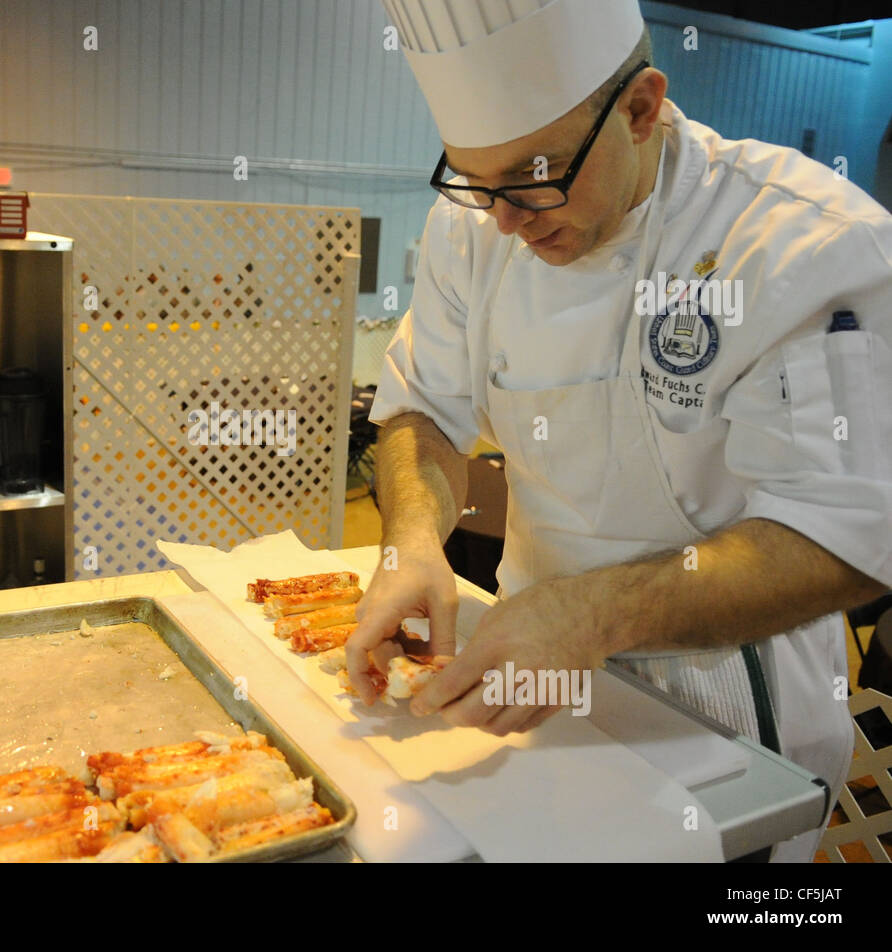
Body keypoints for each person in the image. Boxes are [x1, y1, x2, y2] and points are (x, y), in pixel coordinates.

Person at [351, 0, 892, 862]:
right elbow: (425, 410)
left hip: (729, 728)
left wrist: (593, 614)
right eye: (474, 182)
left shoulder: (802, 243)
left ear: (641, 108)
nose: (505, 222)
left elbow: (839, 541)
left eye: (537, 177)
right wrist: (413, 543)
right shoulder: (478, 222)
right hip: (527, 687)